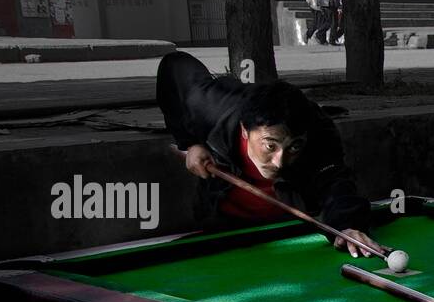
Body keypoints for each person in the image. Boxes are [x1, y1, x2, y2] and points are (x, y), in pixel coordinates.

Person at [155, 51, 377, 256]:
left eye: (294, 147)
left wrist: (347, 226)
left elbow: (335, 184)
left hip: (288, 230)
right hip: (223, 228)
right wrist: (189, 141)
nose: (280, 161)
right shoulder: (215, 109)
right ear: (245, 130)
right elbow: (175, 65)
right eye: (270, 146)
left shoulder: (319, 133)